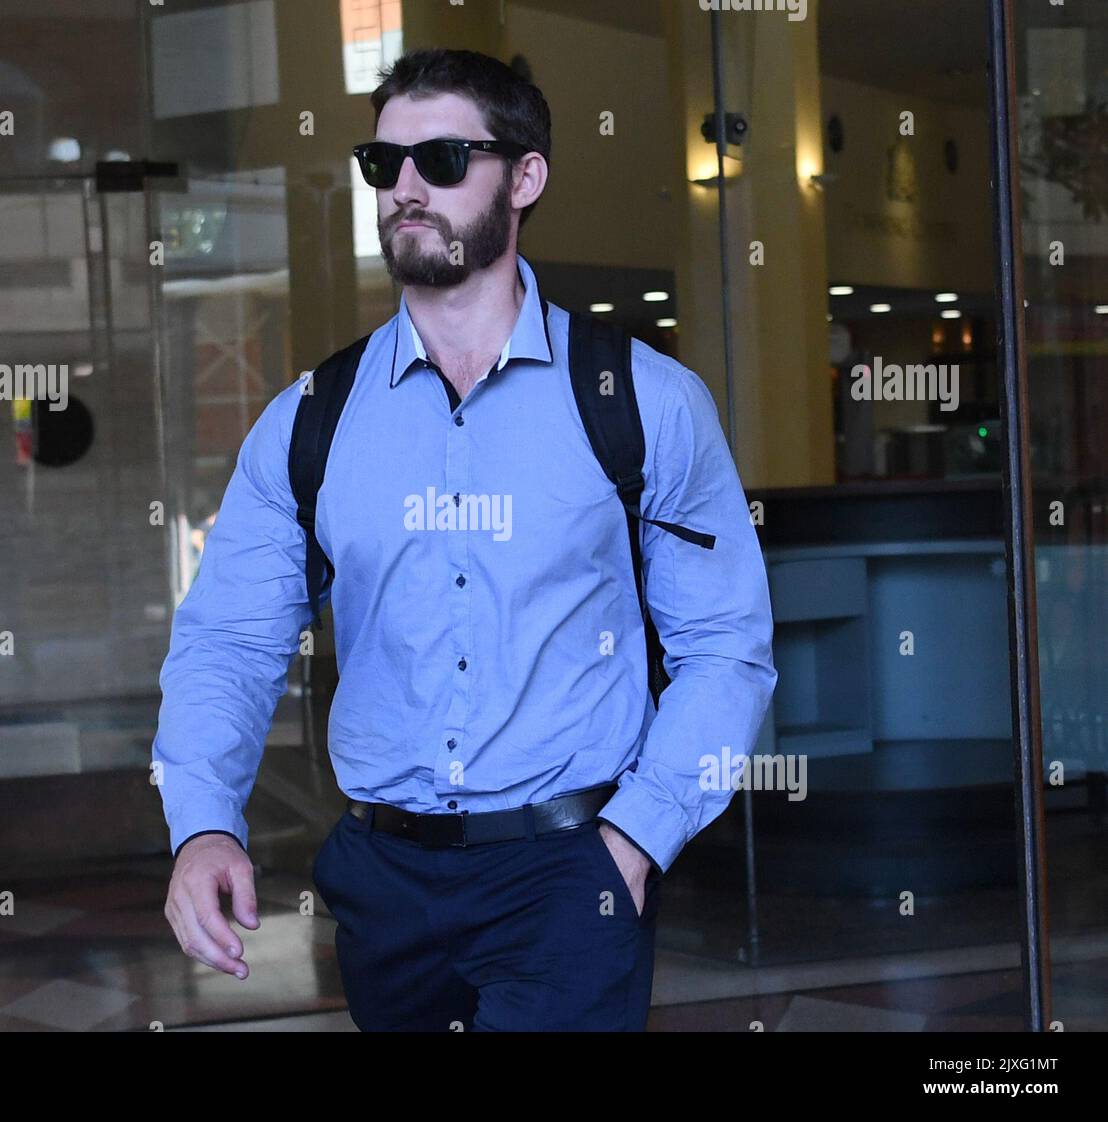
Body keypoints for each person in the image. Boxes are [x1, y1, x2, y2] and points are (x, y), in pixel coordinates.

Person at [155, 47, 776, 1031]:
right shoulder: (309, 420)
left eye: (443, 159)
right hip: (381, 883)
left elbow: (725, 648)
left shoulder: (640, 403)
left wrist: (634, 842)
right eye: (383, 163)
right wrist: (201, 824)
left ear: (524, 176)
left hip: (570, 869)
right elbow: (229, 640)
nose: (405, 188)